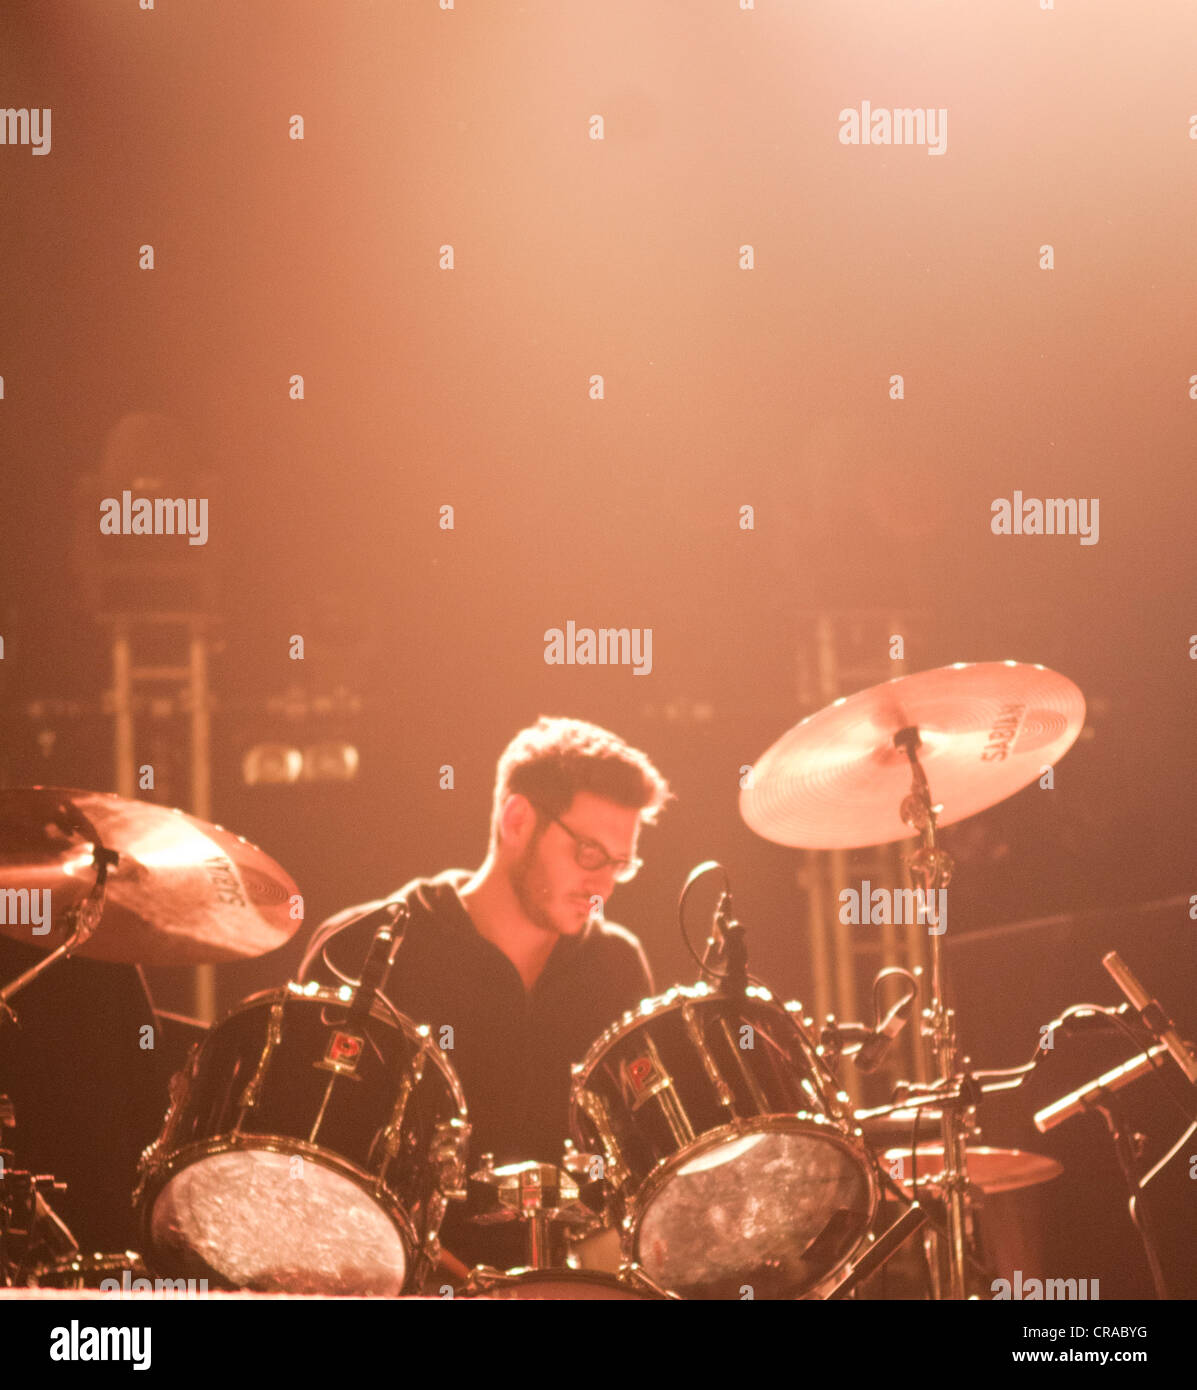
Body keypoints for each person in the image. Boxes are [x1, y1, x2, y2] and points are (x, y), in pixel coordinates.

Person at [298, 715, 673, 1278]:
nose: (603, 886)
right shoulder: (369, 949)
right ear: (517, 820)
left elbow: (631, 1173)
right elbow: (311, 1177)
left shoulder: (617, 966)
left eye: (621, 864)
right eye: (590, 854)